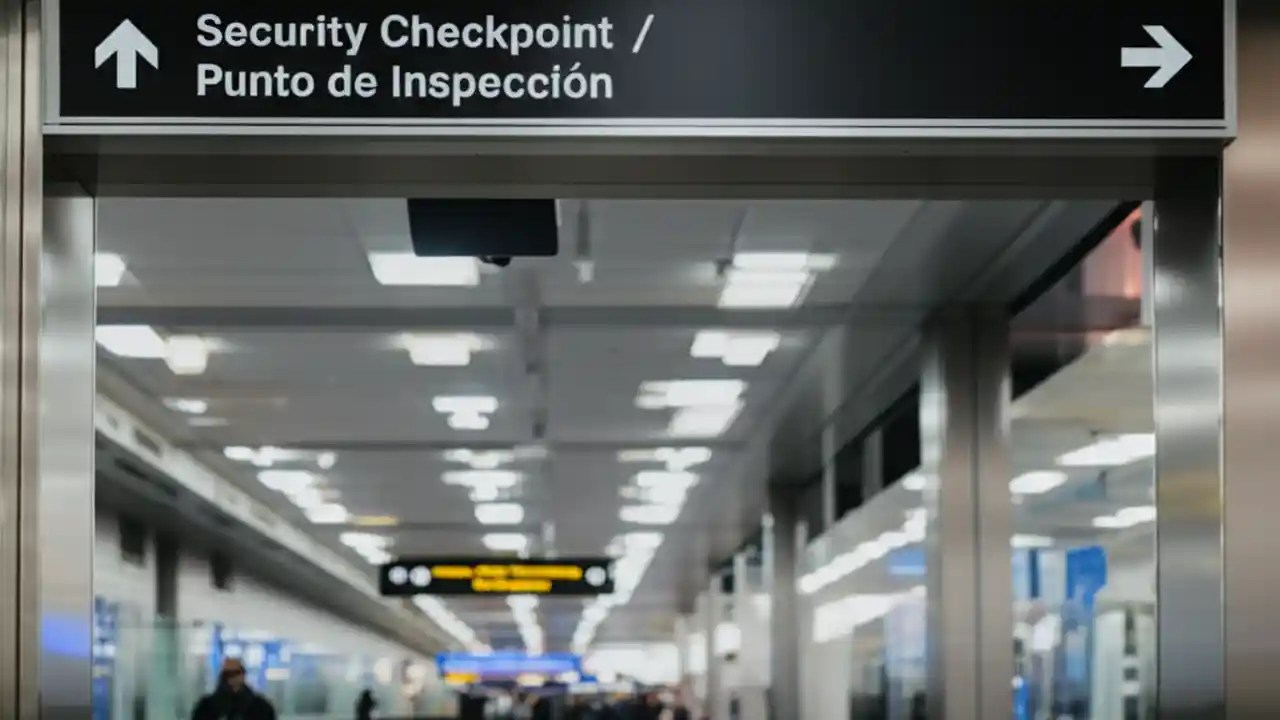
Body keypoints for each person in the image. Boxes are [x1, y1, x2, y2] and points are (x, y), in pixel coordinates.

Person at [191, 658, 277, 720]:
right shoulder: (206, 707)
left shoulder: (261, 707)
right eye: (228, 674)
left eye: (236, 673)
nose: (232, 678)